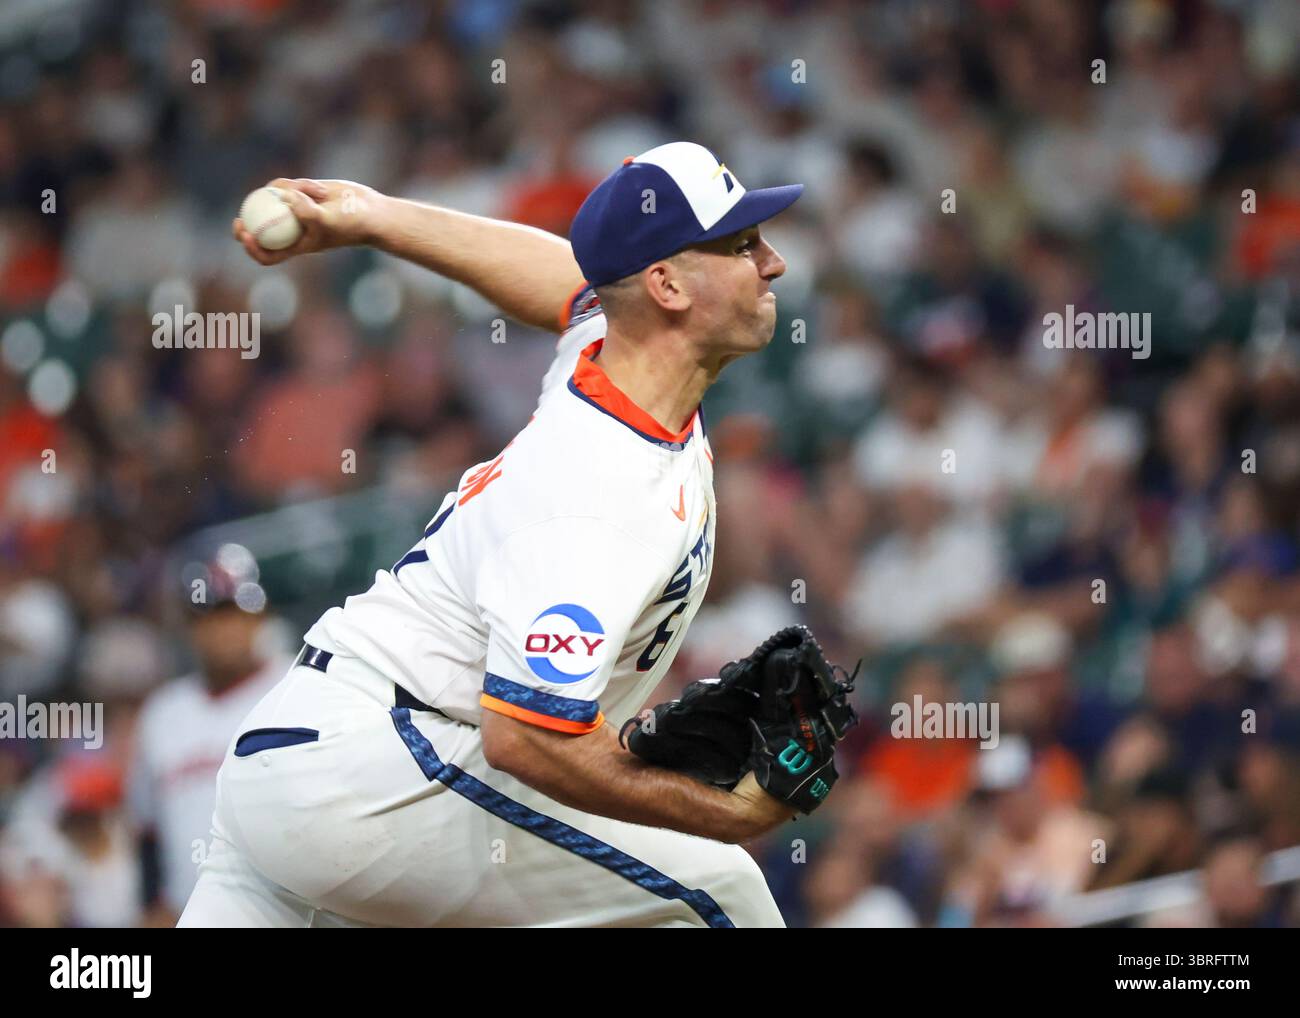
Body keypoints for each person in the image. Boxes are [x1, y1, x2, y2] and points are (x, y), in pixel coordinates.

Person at [179, 142, 804, 927]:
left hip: (321, 762)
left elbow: (572, 286)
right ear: (668, 285)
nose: (772, 261)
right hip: (377, 770)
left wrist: (375, 217)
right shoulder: (596, 490)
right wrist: (721, 813)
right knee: (724, 894)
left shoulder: (612, 349)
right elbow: (525, 740)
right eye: (742, 244)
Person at [130, 548, 286, 923]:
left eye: (233, 613)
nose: (222, 629)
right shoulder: (162, 713)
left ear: (259, 618)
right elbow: (147, 829)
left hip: (283, 910)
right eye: (210, 616)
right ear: (189, 626)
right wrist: (152, 905)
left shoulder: (295, 687)